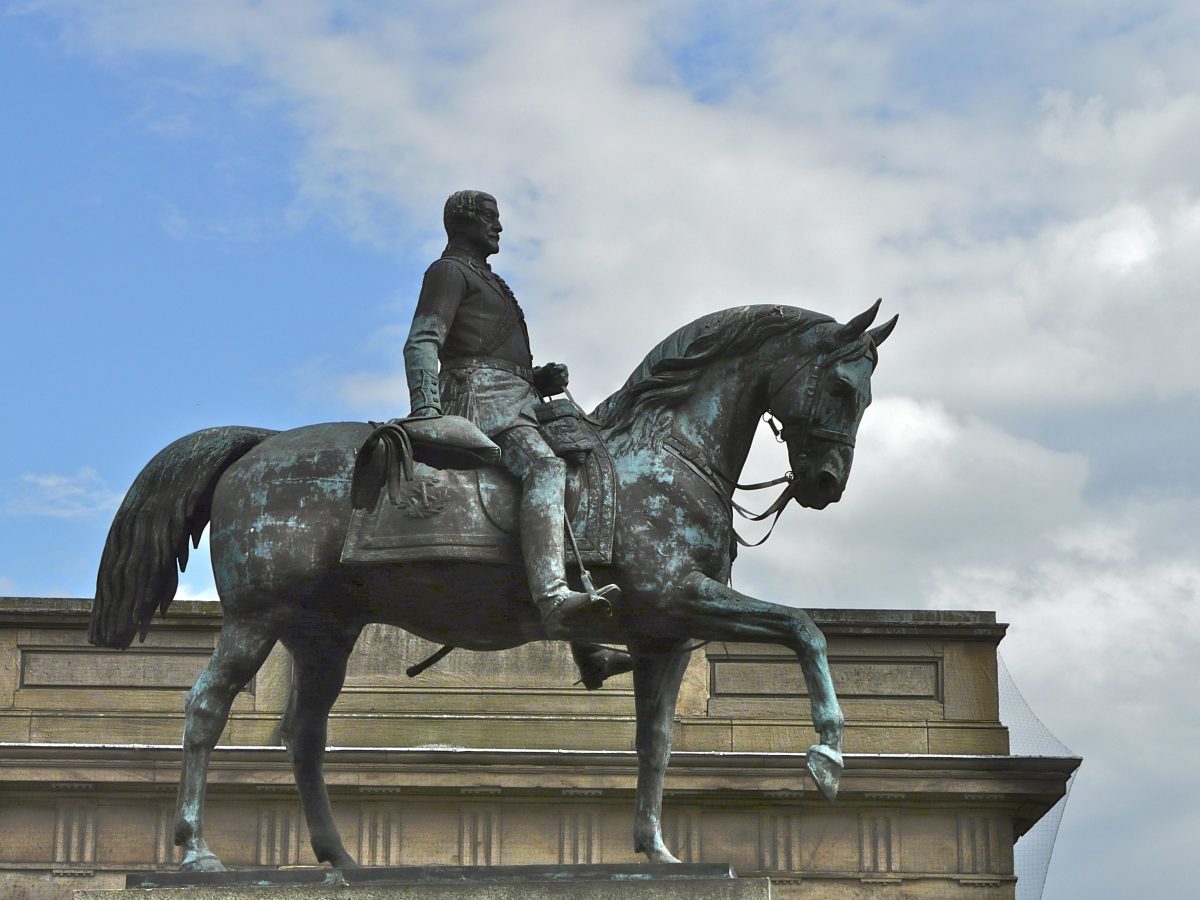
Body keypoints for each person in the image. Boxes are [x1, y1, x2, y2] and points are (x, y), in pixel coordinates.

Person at [403, 190, 621, 650]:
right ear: (463, 223)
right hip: (480, 402)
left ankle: (587, 648)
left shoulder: (490, 280)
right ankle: (553, 597)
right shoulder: (449, 271)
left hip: (517, 400)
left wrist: (539, 380)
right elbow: (423, 341)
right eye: (489, 218)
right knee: (544, 468)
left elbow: (492, 353)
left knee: (585, 473)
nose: (498, 227)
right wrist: (426, 411)